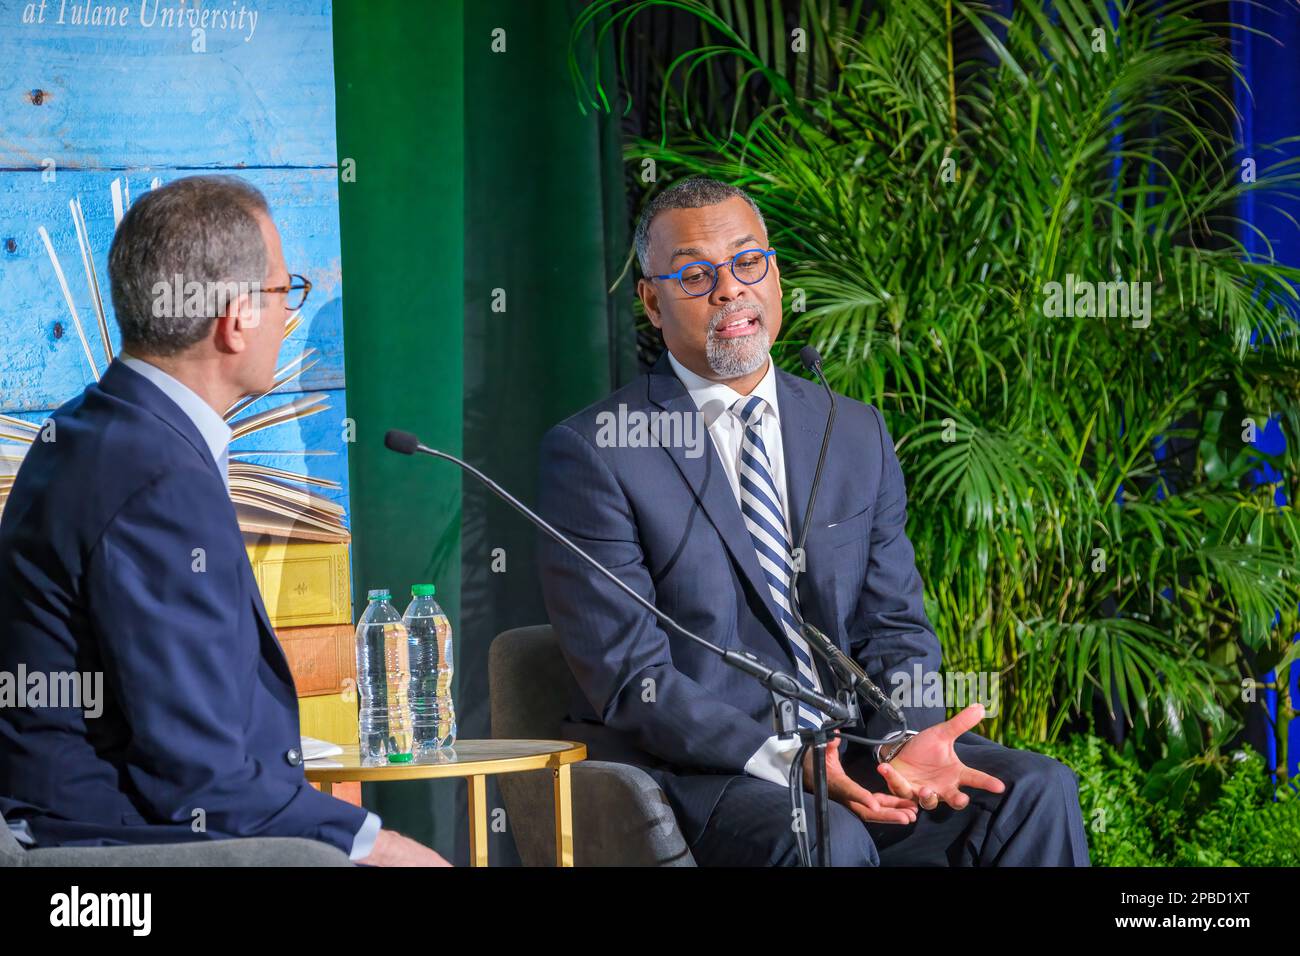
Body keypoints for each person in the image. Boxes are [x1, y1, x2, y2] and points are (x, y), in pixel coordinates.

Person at [537, 176, 1090, 865]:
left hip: (857, 745)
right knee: (827, 837)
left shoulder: (851, 429)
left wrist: (902, 738)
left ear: (773, 273)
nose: (730, 290)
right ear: (652, 301)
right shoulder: (598, 452)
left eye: (747, 263)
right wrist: (788, 761)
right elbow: (630, 674)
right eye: (694, 274)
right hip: (712, 771)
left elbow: (894, 624)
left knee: (1036, 791)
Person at [0, 175, 447, 867]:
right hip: (111, 848)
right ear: (237, 317)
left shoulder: (96, 429)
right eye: (283, 291)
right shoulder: (156, 479)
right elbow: (202, 780)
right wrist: (376, 845)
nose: (287, 316)